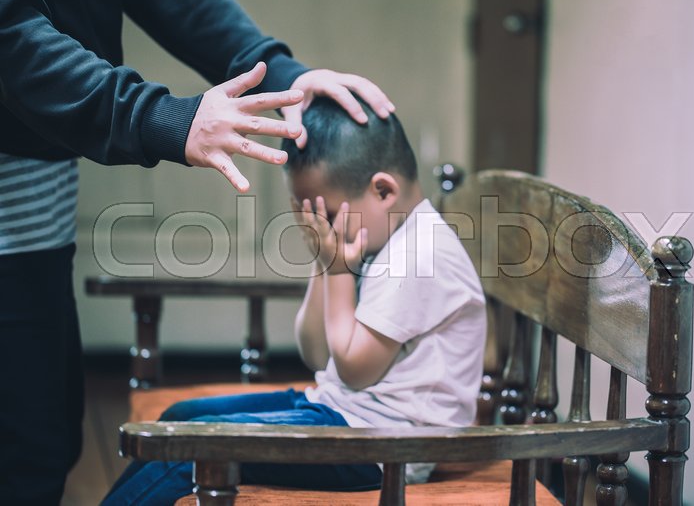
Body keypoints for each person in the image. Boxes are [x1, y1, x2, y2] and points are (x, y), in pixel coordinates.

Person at [0, 0, 394, 503]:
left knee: (40, 438)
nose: (312, 226)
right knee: (45, 439)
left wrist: (283, 75)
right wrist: (164, 118)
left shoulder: (429, 255)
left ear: (384, 190)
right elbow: (11, 36)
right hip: (341, 411)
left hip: (375, 442)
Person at [100, 97, 487, 504]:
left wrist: (337, 271)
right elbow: (318, 355)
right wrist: (324, 266)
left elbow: (355, 369)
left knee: (192, 451)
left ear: (383, 190)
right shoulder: (386, 235)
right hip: (341, 414)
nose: (320, 231)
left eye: (328, 215)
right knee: (180, 421)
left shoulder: (420, 255)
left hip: (384, 447)